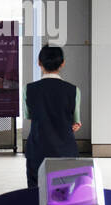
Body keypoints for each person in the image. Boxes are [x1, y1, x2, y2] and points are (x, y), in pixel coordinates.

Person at [22, 44, 81, 189]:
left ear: (39, 63)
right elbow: (76, 121)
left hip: (37, 150)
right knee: (65, 195)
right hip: (65, 151)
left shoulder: (29, 89)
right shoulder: (73, 90)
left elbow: (29, 115)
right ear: (62, 64)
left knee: (35, 193)